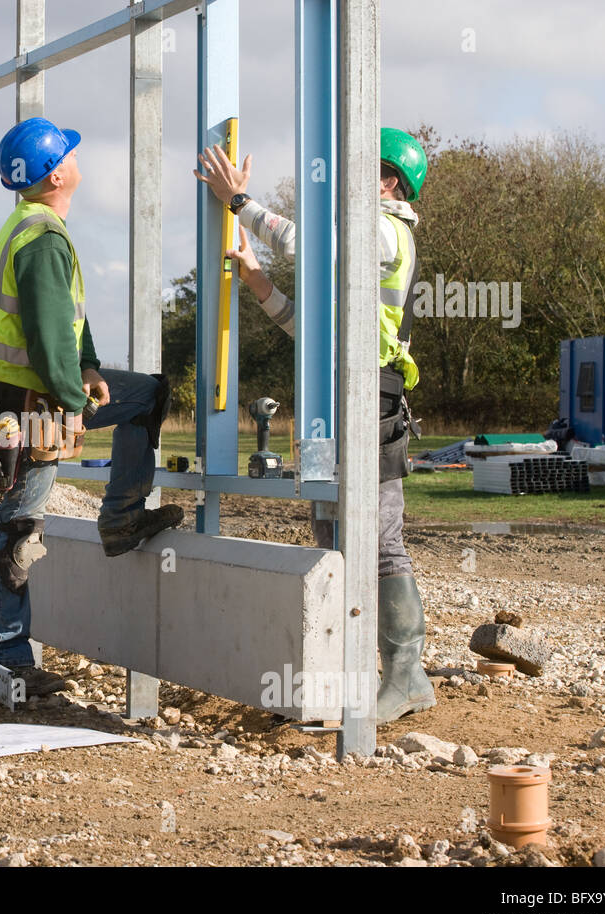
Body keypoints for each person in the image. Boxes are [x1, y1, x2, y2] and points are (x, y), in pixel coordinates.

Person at [194, 128, 436, 723]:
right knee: (330, 532)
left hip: (370, 401)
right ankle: (342, 678)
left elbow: (309, 245)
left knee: (376, 541)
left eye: (361, 170)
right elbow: (313, 335)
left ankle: (405, 676)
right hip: (342, 399)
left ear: (388, 181)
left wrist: (239, 205)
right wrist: (258, 283)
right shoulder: (362, 240)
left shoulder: (383, 231)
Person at [0, 117, 181, 693]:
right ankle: (9, 656)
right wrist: (69, 400)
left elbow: (65, 320)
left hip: (5, 398)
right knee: (20, 528)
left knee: (18, 523)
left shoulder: (28, 226)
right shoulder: (45, 238)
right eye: (70, 153)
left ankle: (119, 520)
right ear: (56, 173)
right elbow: (46, 332)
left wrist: (86, 368)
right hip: (30, 402)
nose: (79, 157)